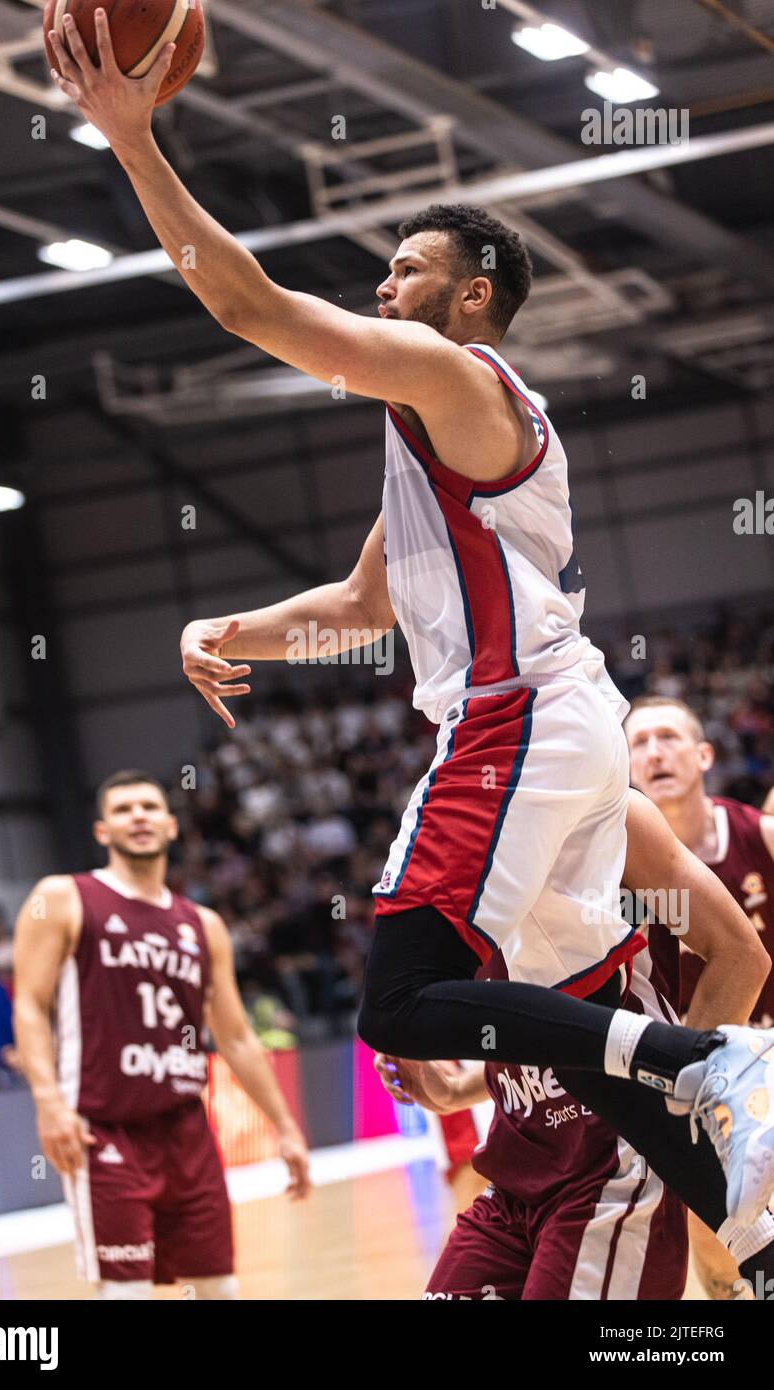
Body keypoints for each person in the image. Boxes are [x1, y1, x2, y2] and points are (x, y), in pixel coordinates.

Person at [49, 26, 774, 1234]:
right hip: (557, 728)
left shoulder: (458, 378)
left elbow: (246, 304)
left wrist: (132, 140)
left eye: (404, 268)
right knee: (582, 1023)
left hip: (517, 722)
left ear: (471, 294)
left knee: (400, 1001)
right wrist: (228, 627)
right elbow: (358, 608)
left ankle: (707, 1057)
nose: (382, 287)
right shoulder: (443, 437)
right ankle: (759, 1244)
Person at [376, 790, 771, 1298]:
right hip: (514, 1173)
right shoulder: (456, 827)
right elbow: (538, 1028)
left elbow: (741, 955)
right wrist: (457, 1089)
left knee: (731, 1257)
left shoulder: (615, 813)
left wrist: (679, 1112)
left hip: (616, 1167)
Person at [14, 770, 310, 1300]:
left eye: (149, 807)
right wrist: (48, 1101)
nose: (139, 817)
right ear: (102, 830)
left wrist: (285, 1127)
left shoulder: (203, 924)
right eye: (123, 809)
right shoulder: (64, 897)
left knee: (219, 1288)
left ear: (172, 826)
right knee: (126, 1292)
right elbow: (30, 1005)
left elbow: (237, 1038)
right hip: (104, 1129)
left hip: (187, 1129)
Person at [626, 695, 774, 1297]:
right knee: (726, 1272)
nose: (655, 752)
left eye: (668, 737)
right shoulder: (612, 879)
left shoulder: (761, 836)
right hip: (698, 1100)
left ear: (705, 755)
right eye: (639, 743)